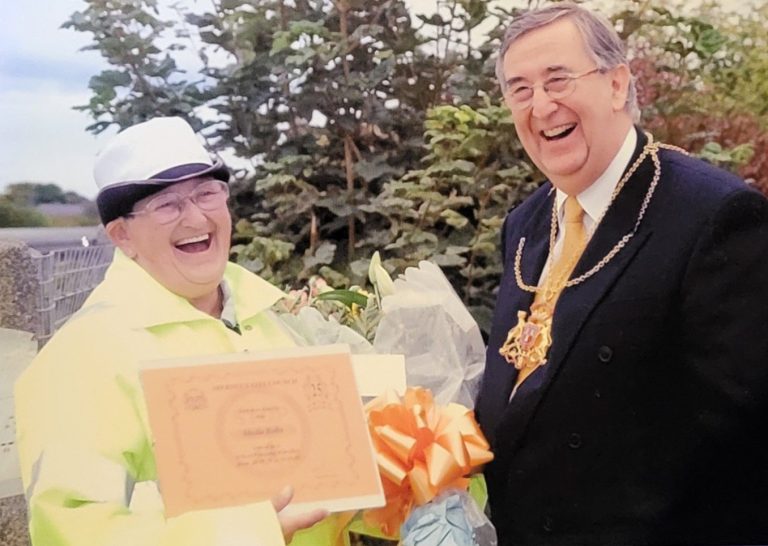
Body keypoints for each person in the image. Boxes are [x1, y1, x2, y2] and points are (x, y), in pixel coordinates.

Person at [475, 3, 768, 545]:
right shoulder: (525, 223)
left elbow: (748, 441)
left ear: (616, 84)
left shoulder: (715, 215)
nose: (542, 105)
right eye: (520, 90)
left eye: (558, 79)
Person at [14, 117, 339, 546]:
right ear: (121, 234)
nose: (196, 215)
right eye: (166, 204)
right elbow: (71, 531)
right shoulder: (81, 357)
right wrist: (244, 533)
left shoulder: (268, 318)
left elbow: (329, 482)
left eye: (207, 193)